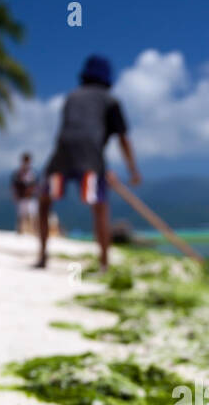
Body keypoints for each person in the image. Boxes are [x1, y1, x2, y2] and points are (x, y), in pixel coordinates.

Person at [36, 54, 141, 269]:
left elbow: (70, 131)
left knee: (45, 201)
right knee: (100, 207)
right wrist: (133, 171)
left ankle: (42, 256)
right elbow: (122, 138)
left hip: (62, 154)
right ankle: (104, 262)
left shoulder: (72, 97)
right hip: (90, 157)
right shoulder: (111, 101)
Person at [10, 153, 39, 234]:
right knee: (21, 216)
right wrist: (15, 195)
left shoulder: (33, 172)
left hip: (31, 198)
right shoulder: (18, 173)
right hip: (22, 198)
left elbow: (36, 184)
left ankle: (35, 232)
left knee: (34, 216)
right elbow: (14, 185)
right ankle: (20, 232)